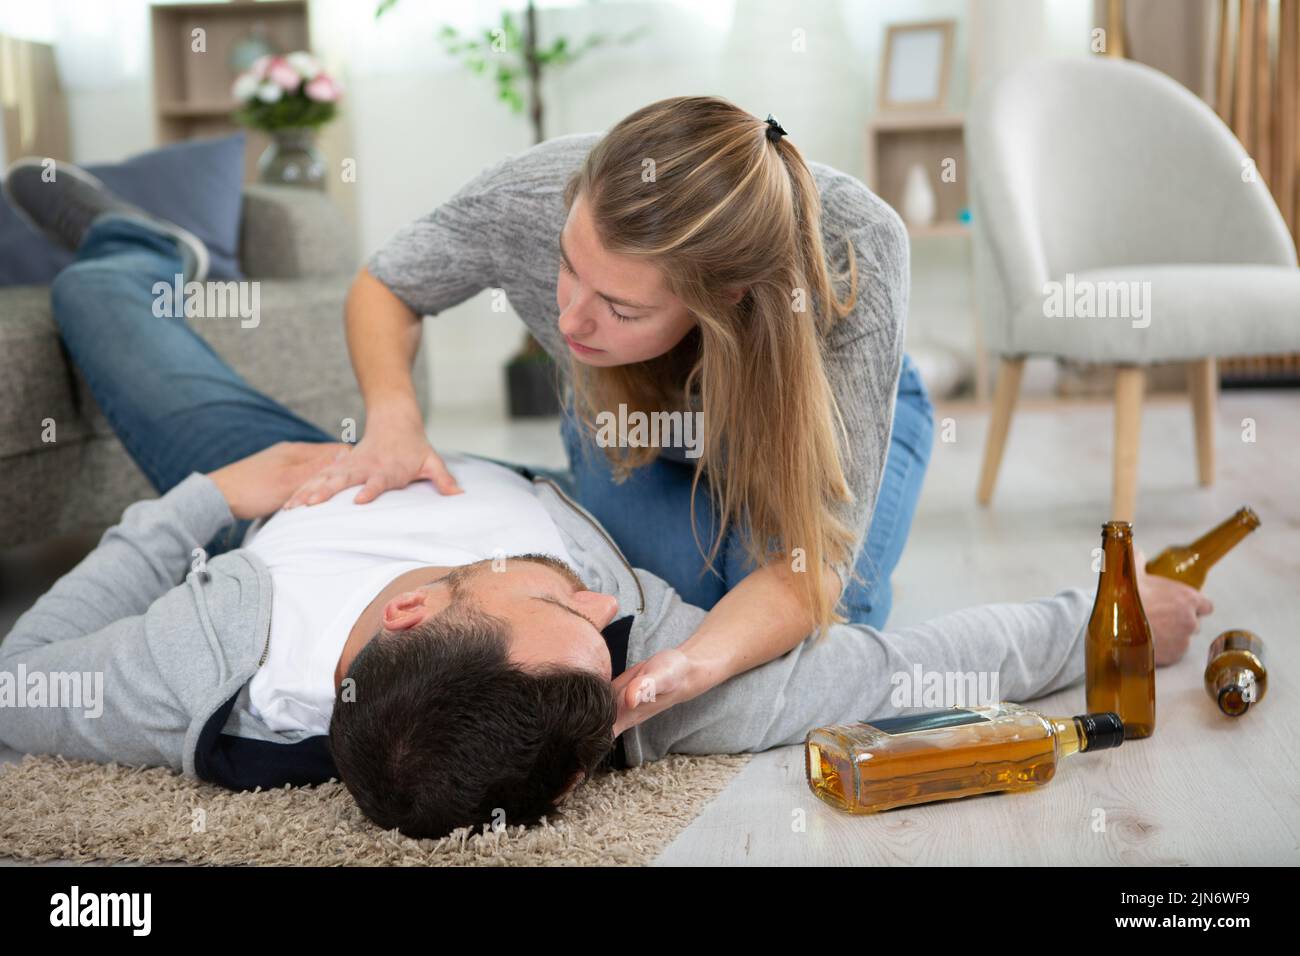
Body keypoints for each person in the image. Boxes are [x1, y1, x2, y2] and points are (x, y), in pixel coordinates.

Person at [0, 153, 1211, 842]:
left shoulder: (189, 676)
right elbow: (892, 670)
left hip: (293, 480)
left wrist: (207, 496)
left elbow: (21, 677)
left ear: (415, 610)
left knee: (110, 317)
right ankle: (146, 251)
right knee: (810, 601)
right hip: (448, 450)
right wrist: (1101, 620)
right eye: (593, 611)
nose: (605, 595)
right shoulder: (631, 685)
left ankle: (133, 243)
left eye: (562, 602)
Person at [281, 97, 934, 708]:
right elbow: (388, 284)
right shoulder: (525, 197)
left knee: (803, 649)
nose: (569, 321)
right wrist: (393, 418)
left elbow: (802, 575)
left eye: (620, 308)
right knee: (670, 605)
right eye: (568, 265)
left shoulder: (859, 244)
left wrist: (696, 666)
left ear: (727, 294)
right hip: (625, 421)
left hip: (814, 428)